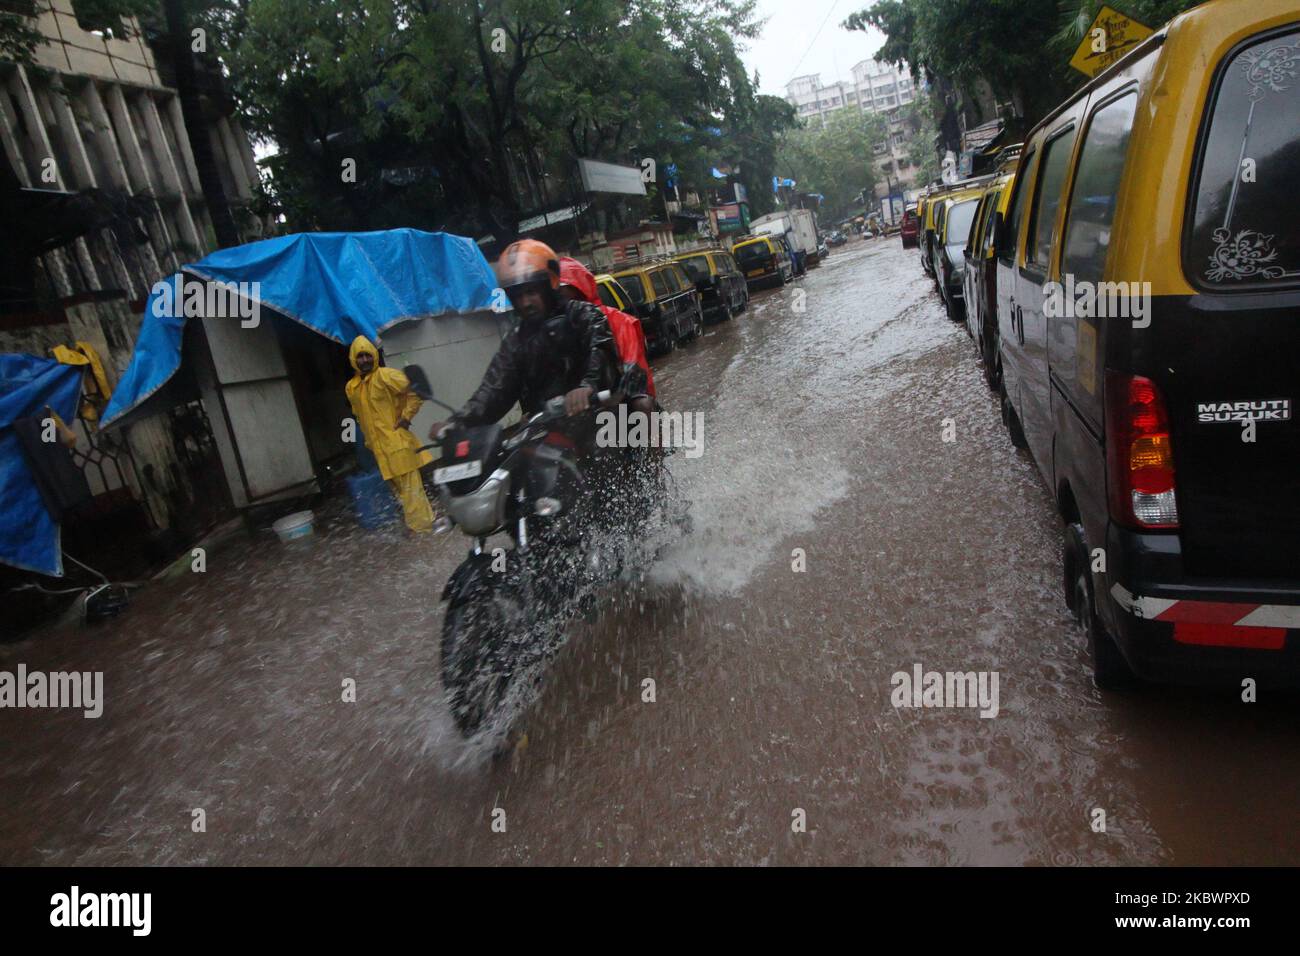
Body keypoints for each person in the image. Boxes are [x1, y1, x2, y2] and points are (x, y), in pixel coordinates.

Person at [429, 239, 620, 435]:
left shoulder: (583, 315)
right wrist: (457, 422)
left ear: (550, 283)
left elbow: (601, 350)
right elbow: (493, 389)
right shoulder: (516, 339)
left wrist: (587, 387)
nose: (525, 303)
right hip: (547, 429)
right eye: (518, 296)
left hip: (599, 417)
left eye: (531, 292)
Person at [345, 335, 434, 533]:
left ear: (374, 356)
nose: (365, 360)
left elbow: (415, 391)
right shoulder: (351, 387)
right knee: (401, 495)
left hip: (397, 444)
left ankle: (424, 533)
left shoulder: (385, 376)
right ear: (353, 359)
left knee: (412, 494)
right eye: (360, 357)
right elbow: (359, 415)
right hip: (379, 450)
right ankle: (421, 531)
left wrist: (406, 417)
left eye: (368, 355)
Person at [555, 257, 656, 417]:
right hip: (569, 406)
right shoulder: (551, 330)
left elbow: (633, 368)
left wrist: (614, 394)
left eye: (562, 292)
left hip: (617, 394)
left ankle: (652, 440)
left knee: (642, 405)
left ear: (580, 290)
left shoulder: (619, 322)